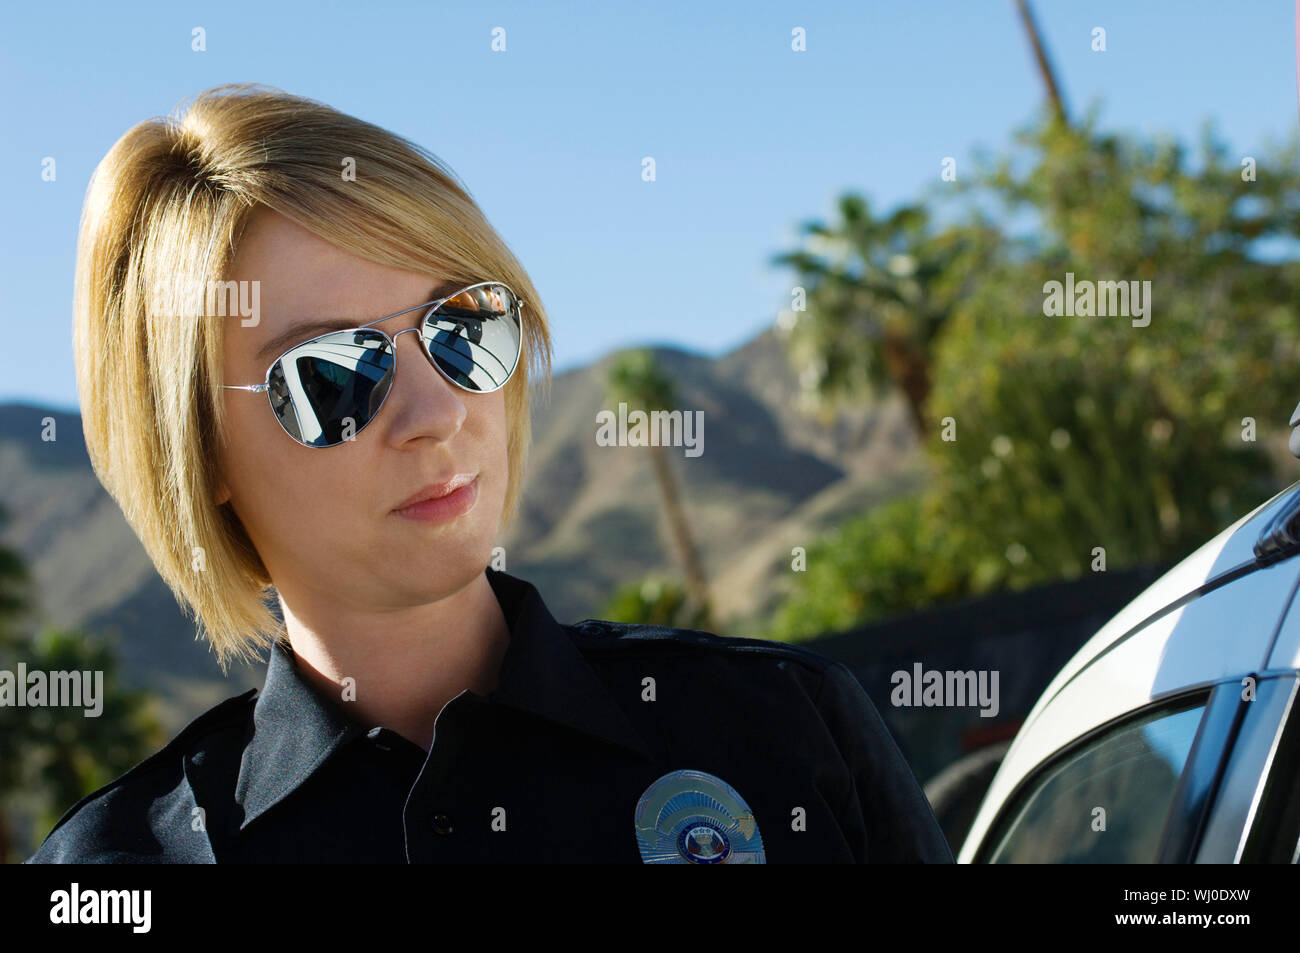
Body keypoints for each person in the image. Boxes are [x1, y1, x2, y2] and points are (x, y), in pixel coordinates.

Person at [26, 84, 952, 864]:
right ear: (200, 451)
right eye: (332, 375)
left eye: (461, 327)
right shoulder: (112, 874)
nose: (436, 416)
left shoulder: (784, 727)